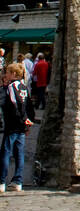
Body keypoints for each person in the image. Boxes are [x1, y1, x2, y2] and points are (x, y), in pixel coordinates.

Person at [0, 61, 35, 193]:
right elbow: (29, 107)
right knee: (19, 153)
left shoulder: (10, 88)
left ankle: (2, 181)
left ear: (13, 74)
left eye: (8, 72)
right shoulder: (24, 88)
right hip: (22, 125)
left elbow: (13, 105)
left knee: (5, 153)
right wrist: (28, 123)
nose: (6, 75)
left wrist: (20, 120)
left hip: (12, 125)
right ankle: (17, 181)